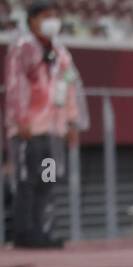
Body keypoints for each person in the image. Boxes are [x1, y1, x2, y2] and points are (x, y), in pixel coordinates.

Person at [4, 0, 85, 249]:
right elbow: (15, 85)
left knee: (47, 181)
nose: (52, 21)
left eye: (54, 16)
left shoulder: (61, 54)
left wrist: (72, 121)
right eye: (46, 16)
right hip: (29, 130)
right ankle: (24, 233)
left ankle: (44, 231)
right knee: (27, 181)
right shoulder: (22, 49)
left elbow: (70, 86)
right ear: (33, 21)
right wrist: (21, 118)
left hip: (53, 130)